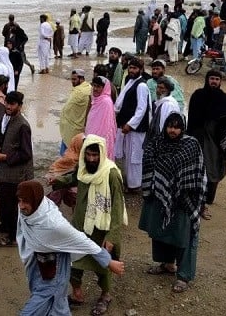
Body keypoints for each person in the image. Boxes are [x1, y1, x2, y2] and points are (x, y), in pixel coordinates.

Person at [16, 180, 125, 316]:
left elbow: (83, 241)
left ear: (34, 200)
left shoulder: (54, 225)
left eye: (25, 201)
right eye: (19, 201)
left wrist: (108, 261)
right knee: (58, 304)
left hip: (55, 268)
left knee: (39, 301)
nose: (21, 206)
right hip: (37, 263)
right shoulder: (30, 212)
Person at [139, 112, 206, 294]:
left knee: (183, 236)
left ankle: (183, 275)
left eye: (177, 127)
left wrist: (199, 202)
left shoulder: (191, 145)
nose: (172, 130)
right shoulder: (157, 143)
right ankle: (167, 264)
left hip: (183, 200)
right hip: (159, 196)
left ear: (182, 128)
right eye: (170, 126)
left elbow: (197, 173)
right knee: (161, 231)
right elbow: (148, 163)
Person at [69, 135, 128, 314]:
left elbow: (117, 207)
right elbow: (73, 179)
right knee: (74, 260)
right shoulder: (83, 167)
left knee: (103, 264)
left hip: (101, 229)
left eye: (95, 155)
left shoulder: (111, 173)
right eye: (89, 155)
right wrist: (56, 182)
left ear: (101, 154)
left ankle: (105, 295)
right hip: (81, 224)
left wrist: (112, 236)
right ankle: (77, 293)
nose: (92, 159)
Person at [187, 70, 226, 220]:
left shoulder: (225, 99)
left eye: (217, 79)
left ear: (220, 81)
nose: (214, 81)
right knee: (195, 171)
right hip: (198, 136)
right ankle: (195, 203)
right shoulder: (197, 95)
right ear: (207, 80)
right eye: (212, 78)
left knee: (213, 172)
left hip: (215, 140)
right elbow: (191, 119)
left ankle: (205, 203)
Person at [0, 90, 33, 247]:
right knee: (3, 202)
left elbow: (26, 153)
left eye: (12, 104)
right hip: (6, 172)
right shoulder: (9, 120)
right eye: (7, 103)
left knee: (12, 207)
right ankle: (4, 226)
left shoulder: (23, 125)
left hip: (18, 175)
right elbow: (10, 143)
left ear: (20, 106)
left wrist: (4, 157)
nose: (8, 106)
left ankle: (13, 237)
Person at [114, 57, 151, 192]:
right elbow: (121, 101)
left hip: (135, 129)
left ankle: (134, 185)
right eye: (130, 68)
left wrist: (130, 124)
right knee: (126, 155)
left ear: (140, 70)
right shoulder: (130, 81)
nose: (132, 70)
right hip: (126, 127)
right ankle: (129, 182)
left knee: (134, 157)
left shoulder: (141, 85)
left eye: (135, 68)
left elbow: (142, 109)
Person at [58, 69, 91, 155]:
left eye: (74, 79)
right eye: (71, 79)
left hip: (75, 127)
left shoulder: (81, 91)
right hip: (71, 126)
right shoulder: (85, 88)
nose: (72, 82)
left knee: (70, 153)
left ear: (81, 79)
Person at [84, 76, 117, 160]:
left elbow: (107, 127)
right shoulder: (95, 100)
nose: (95, 88)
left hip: (100, 139)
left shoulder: (106, 102)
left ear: (104, 88)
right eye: (94, 86)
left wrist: (98, 141)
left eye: (98, 87)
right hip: (91, 135)